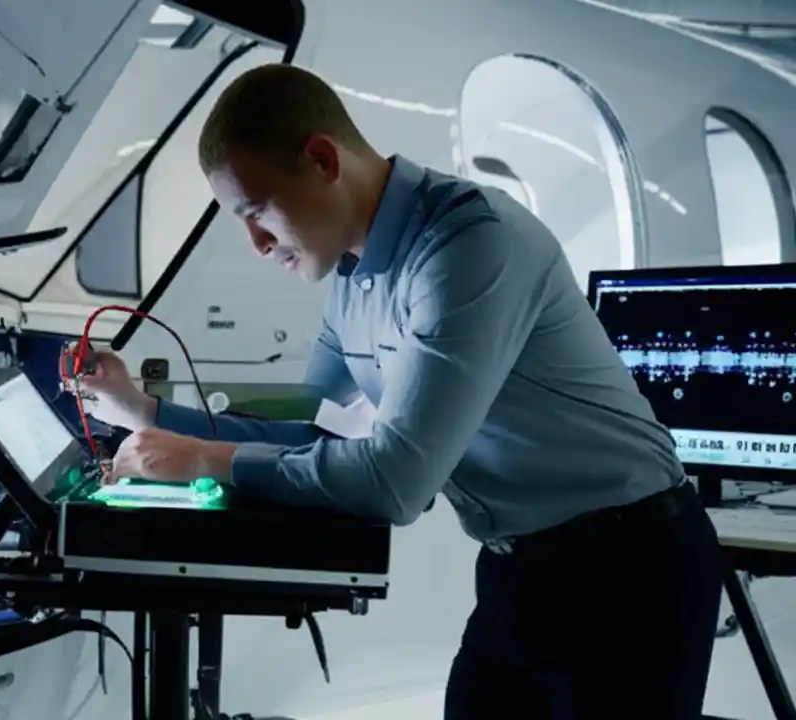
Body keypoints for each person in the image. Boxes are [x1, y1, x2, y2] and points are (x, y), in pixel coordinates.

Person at [77, 63, 723, 719]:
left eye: (258, 211)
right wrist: (148, 414)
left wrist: (203, 459)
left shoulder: (467, 246)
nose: (258, 244)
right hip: (513, 571)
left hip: (628, 570)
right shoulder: (352, 277)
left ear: (323, 160)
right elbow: (317, 431)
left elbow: (394, 483)